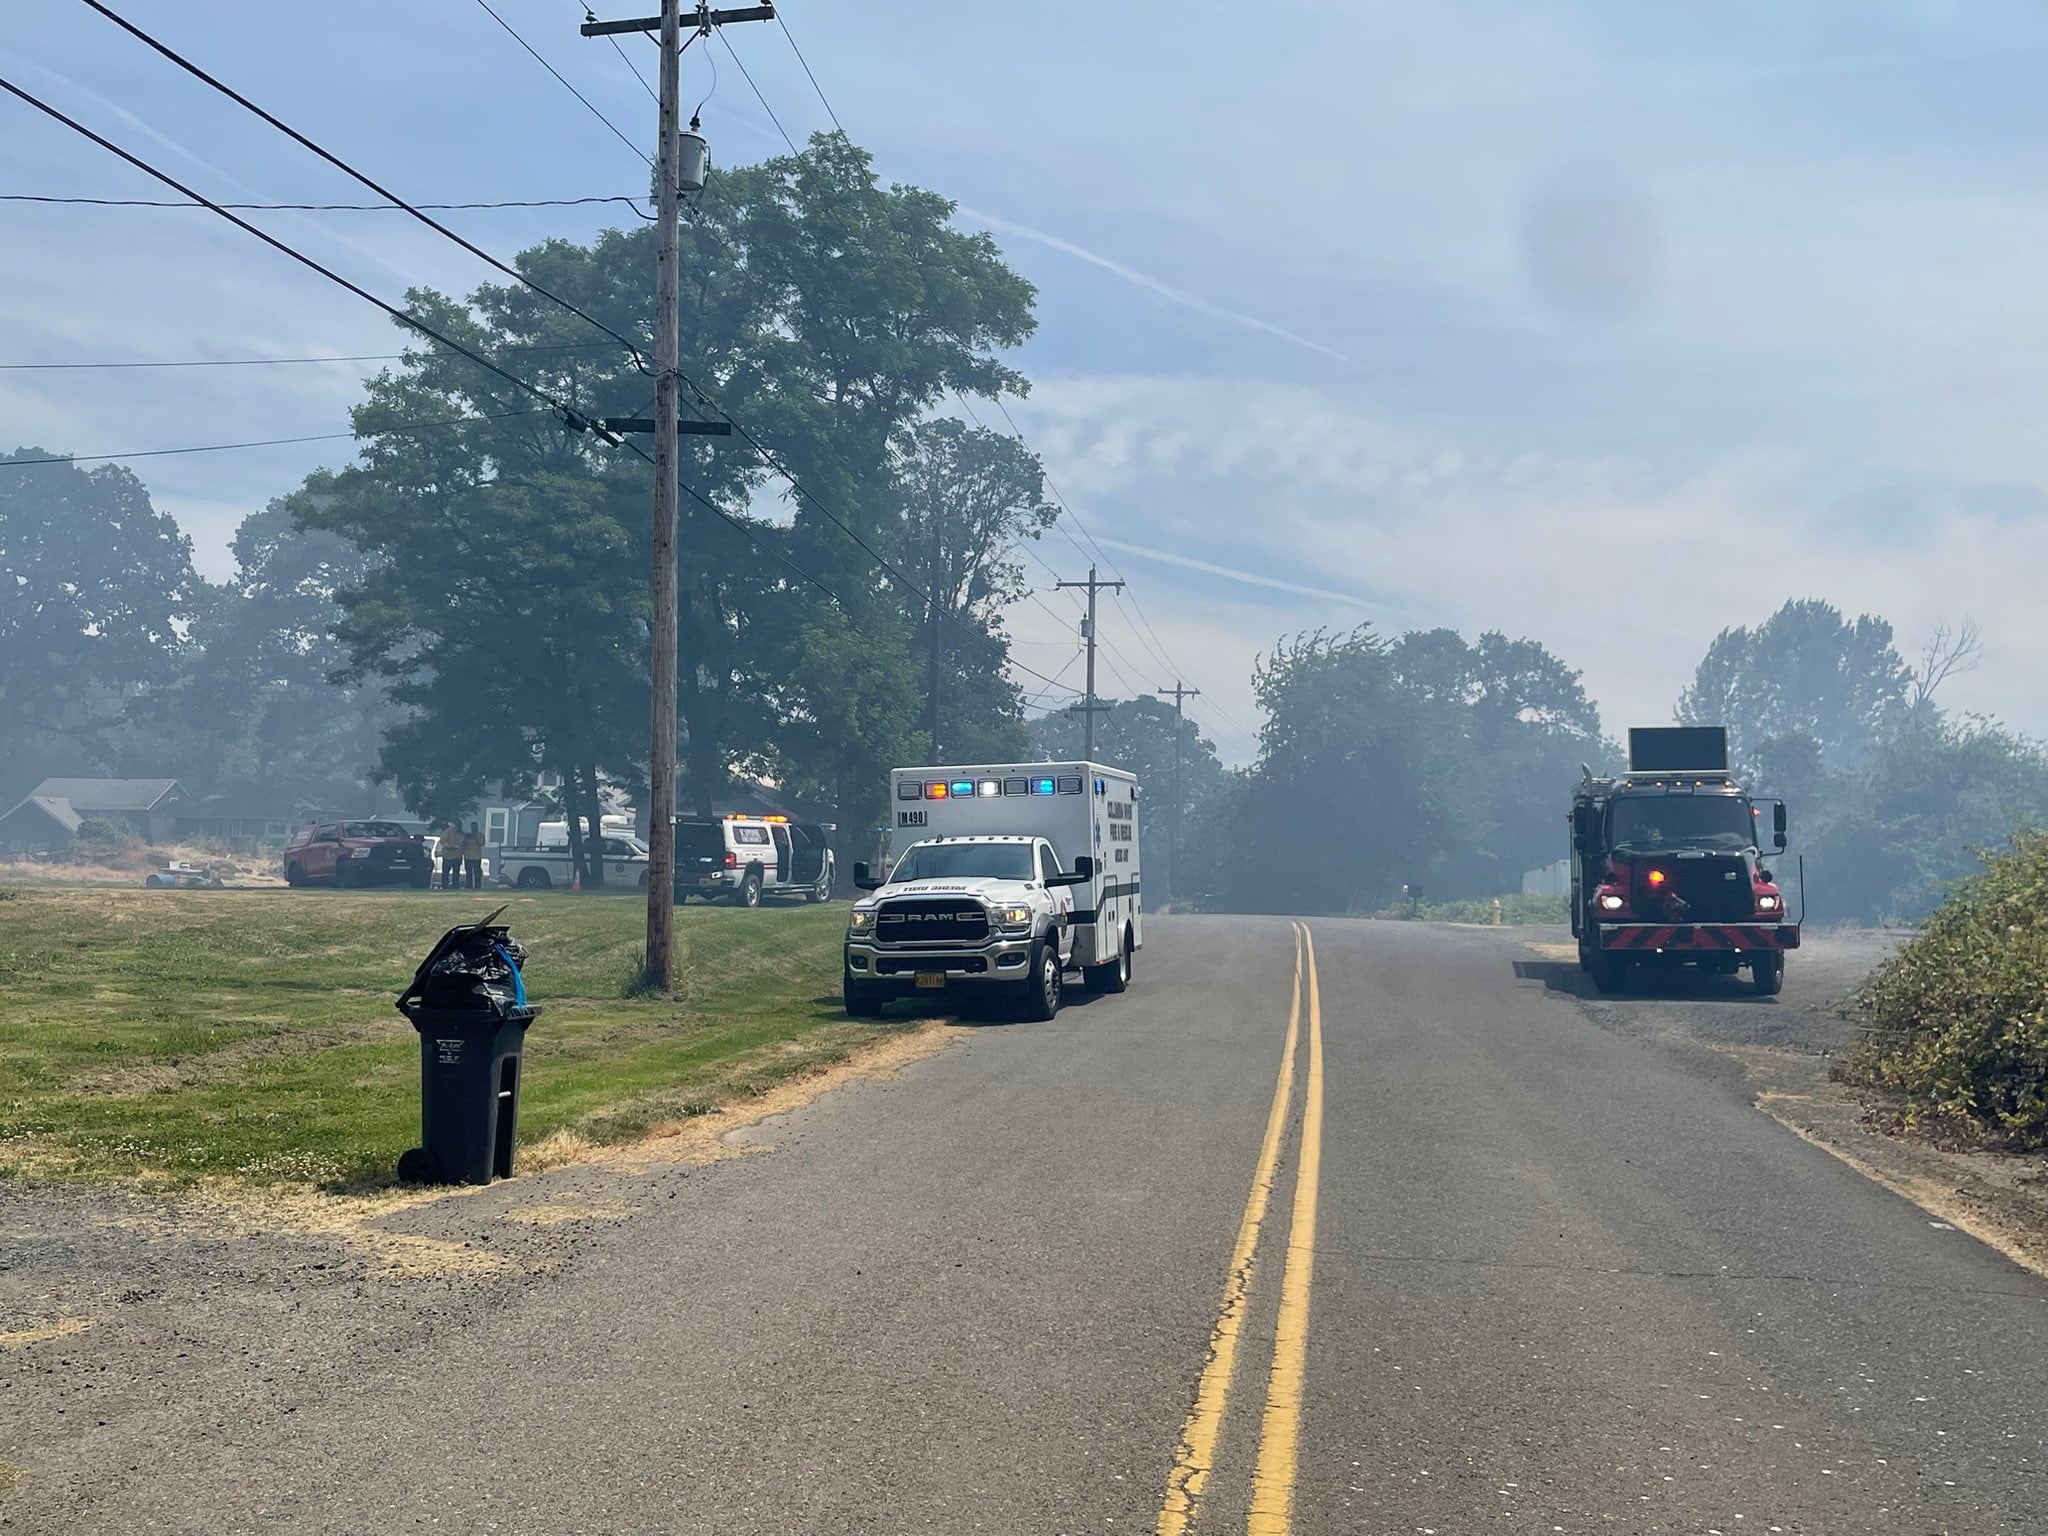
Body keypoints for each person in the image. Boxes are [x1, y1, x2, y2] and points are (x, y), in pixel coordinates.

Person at [437, 820, 464, 890]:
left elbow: (463, 844)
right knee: (445, 873)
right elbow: (442, 840)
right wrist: (449, 846)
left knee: (456, 873)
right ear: (455, 825)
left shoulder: (462, 834)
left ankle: (455, 887)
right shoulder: (448, 832)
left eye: (460, 825)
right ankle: (444, 887)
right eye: (458, 825)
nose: (459, 827)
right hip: (447, 856)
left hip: (457, 856)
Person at [462, 821, 486, 891]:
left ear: (477, 827)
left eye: (475, 827)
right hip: (468, 856)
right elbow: (462, 843)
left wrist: (475, 837)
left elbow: (481, 844)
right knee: (468, 873)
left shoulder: (480, 835)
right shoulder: (467, 835)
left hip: (476, 857)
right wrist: (465, 837)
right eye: (472, 827)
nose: (473, 828)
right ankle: (468, 886)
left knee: (477, 873)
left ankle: (477, 887)